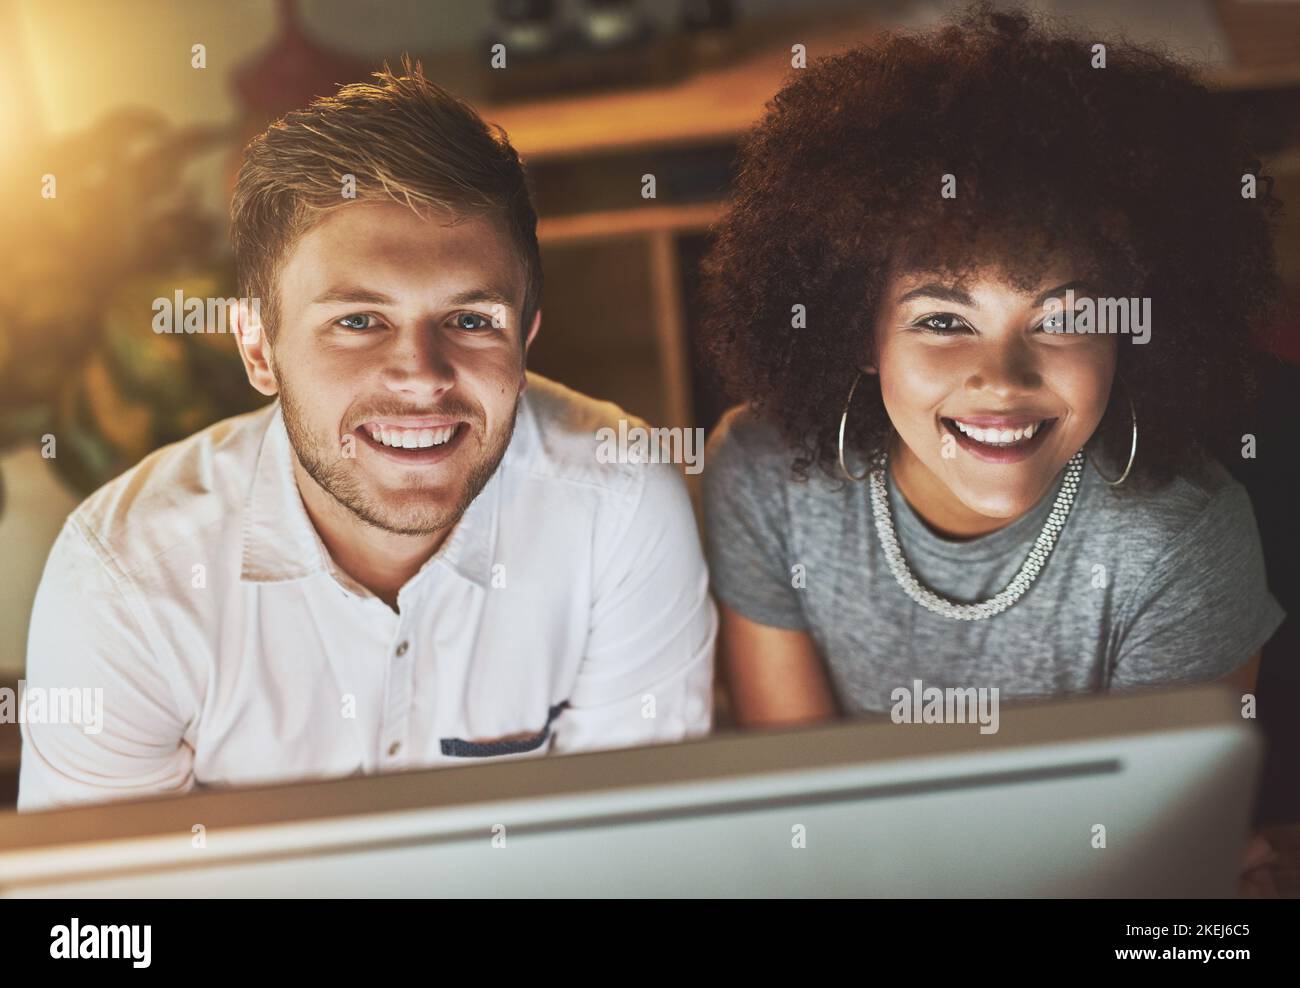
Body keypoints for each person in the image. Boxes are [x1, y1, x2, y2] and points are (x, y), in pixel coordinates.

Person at [19, 61, 715, 811]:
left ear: (526, 340)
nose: (421, 377)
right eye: (358, 321)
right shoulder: (123, 578)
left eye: (471, 320)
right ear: (257, 348)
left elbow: (630, 857)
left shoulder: (618, 507)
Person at [700, 5, 1285, 728]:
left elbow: (1152, 831)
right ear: (857, 331)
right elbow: (799, 804)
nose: (1003, 378)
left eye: (1064, 319)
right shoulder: (763, 477)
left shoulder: (1183, 540)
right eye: (944, 321)